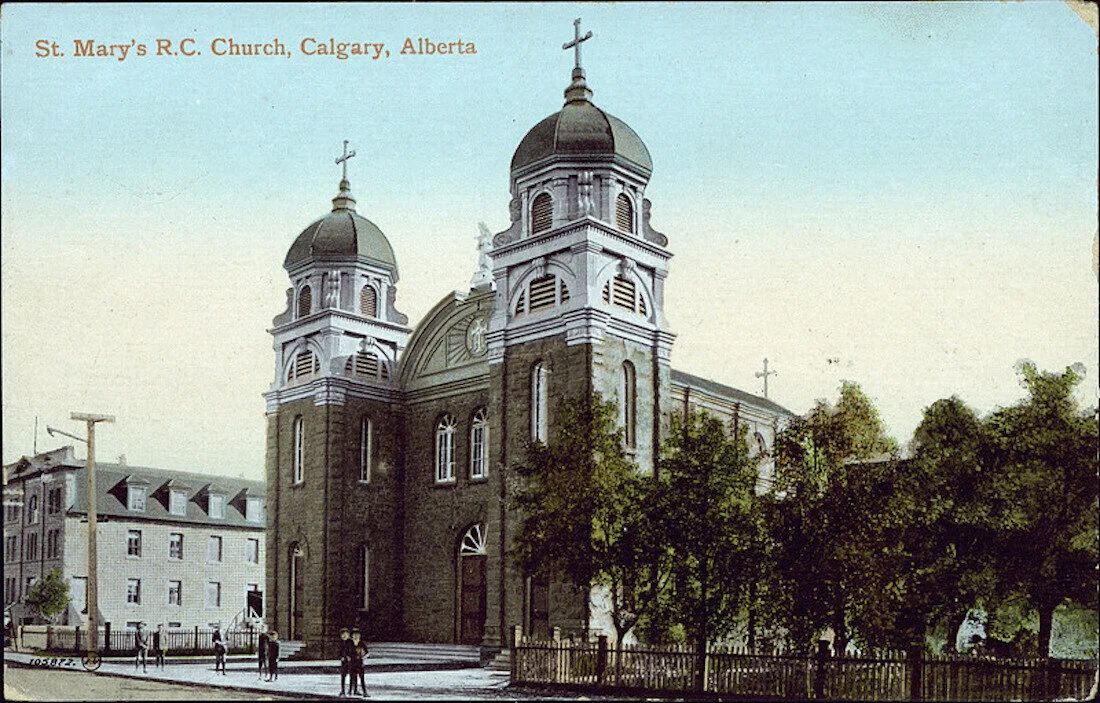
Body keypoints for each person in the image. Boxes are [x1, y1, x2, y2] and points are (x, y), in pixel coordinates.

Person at [349, 628, 369, 697]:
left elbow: (367, 653)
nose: (356, 636)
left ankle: (364, 692)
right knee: (352, 677)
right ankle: (352, 690)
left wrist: (363, 658)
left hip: (360, 662)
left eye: (357, 634)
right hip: (352, 662)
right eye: (354, 634)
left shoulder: (361, 643)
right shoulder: (350, 643)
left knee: (362, 677)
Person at [338, 627, 354, 696]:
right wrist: (341, 657)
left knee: (351, 675)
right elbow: (339, 651)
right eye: (343, 634)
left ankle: (350, 690)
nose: (344, 636)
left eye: (346, 634)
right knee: (343, 676)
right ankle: (343, 690)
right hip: (344, 661)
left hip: (350, 661)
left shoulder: (350, 642)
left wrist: (349, 656)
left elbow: (352, 650)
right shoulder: (341, 642)